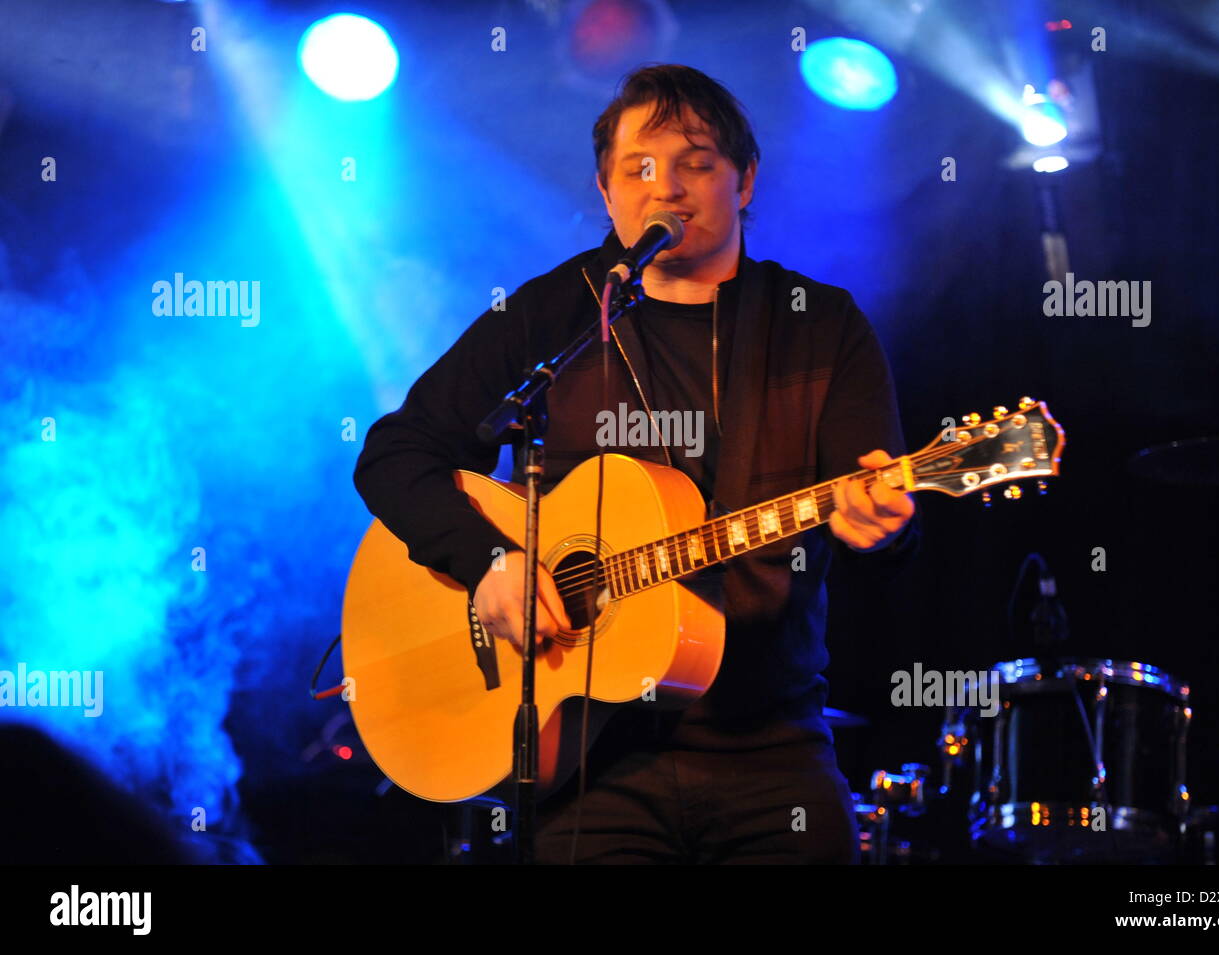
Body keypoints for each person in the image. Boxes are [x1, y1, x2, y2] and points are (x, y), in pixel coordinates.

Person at [353, 64, 919, 864]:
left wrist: (883, 525)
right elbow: (396, 453)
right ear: (607, 189)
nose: (668, 190)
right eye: (640, 168)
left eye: (696, 163)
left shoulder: (819, 327)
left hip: (769, 750)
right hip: (586, 761)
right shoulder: (555, 312)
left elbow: (888, 532)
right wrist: (491, 562)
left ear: (745, 180)